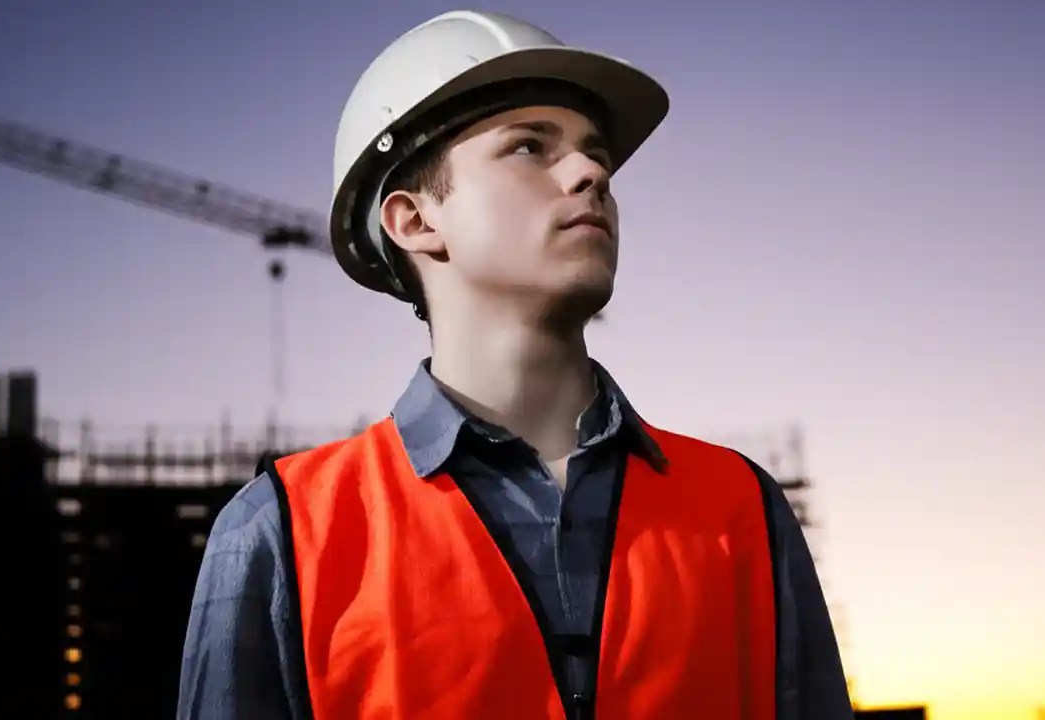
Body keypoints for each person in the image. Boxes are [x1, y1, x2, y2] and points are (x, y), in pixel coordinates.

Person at [178, 9, 853, 720]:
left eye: (596, 152)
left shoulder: (741, 507)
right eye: (530, 147)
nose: (593, 171)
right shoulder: (282, 532)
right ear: (414, 220)